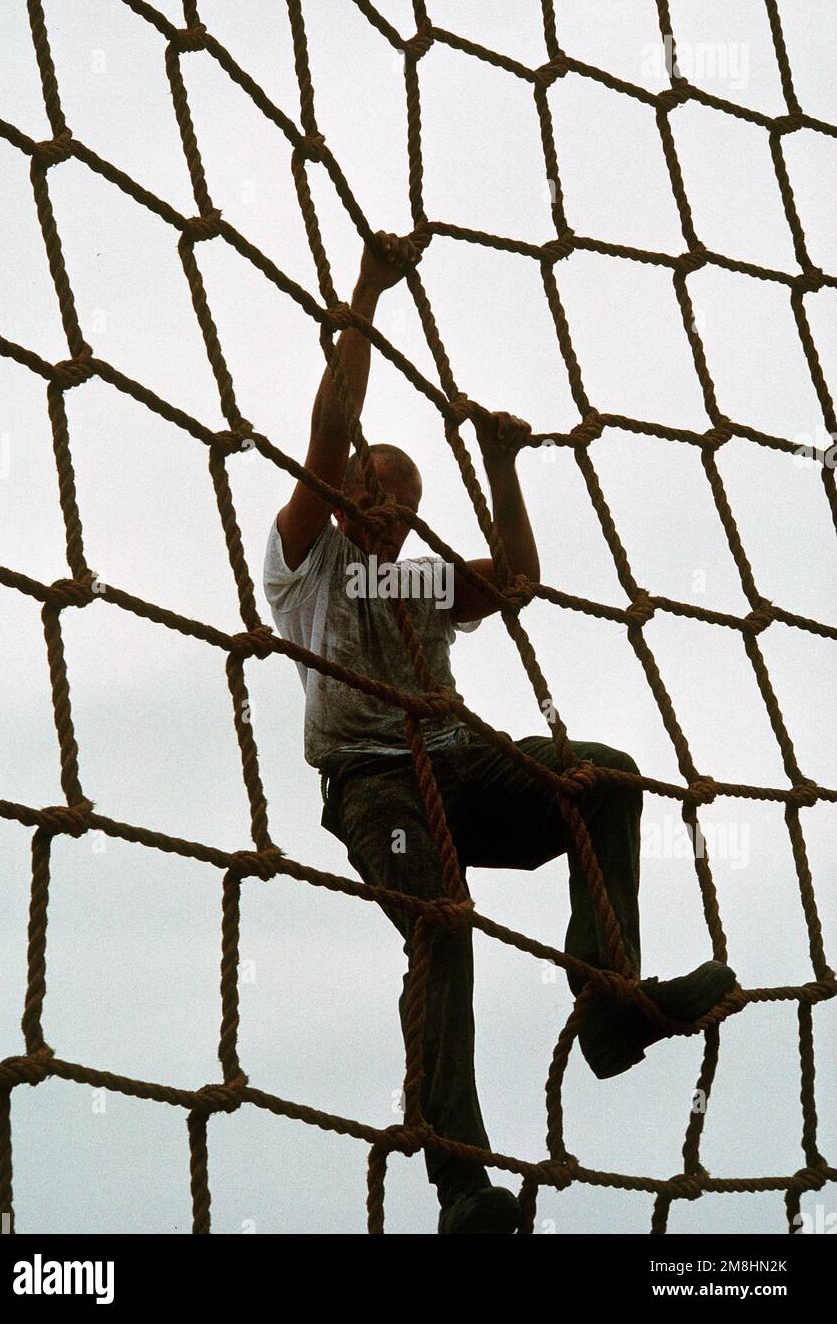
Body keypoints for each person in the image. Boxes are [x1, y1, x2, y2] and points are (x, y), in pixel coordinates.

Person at [262, 231, 736, 1234]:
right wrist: (367, 291)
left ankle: (609, 1006)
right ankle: (461, 1186)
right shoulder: (304, 567)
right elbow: (326, 429)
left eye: (405, 497)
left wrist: (499, 465)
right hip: (375, 790)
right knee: (443, 923)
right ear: (344, 496)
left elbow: (514, 579)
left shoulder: (420, 582)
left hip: (460, 767)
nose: (388, 506)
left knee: (602, 777)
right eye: (374, 488)